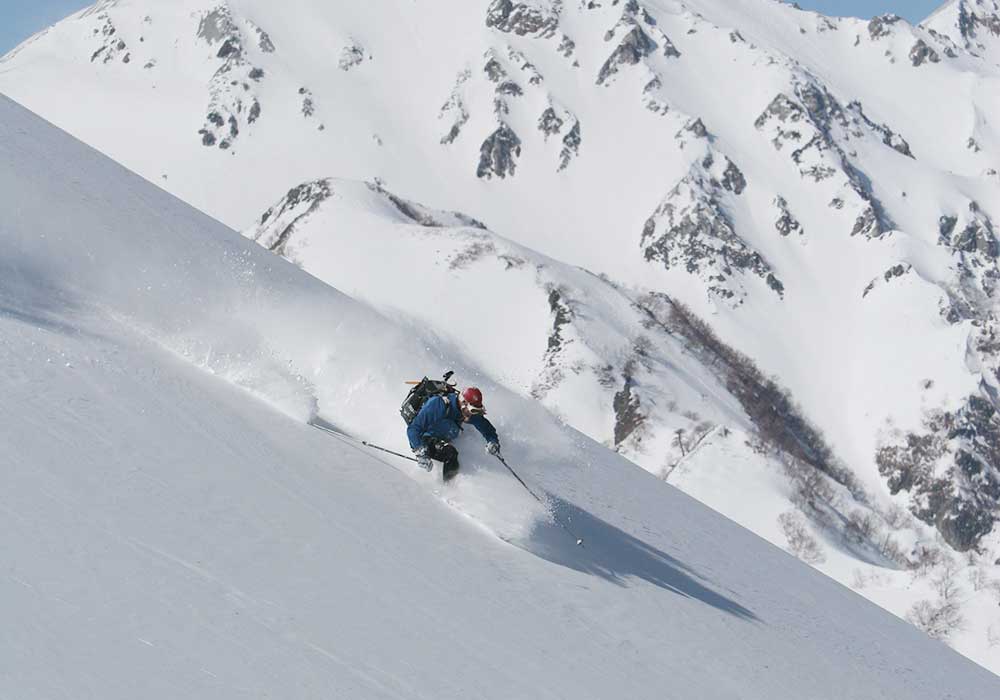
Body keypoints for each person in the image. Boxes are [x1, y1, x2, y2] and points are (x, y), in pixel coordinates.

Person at [406, 386, 501, 480]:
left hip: (444, 438)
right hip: (426, 439)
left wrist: (493, 441)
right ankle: (447, 489)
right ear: (463, 403)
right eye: (473, 410)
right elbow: (413, 428)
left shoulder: (468, 413)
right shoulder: (438, 404)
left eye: (477, 411)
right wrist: (420, 451)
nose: (473, 414)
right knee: (450, 454)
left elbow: (486, 427)